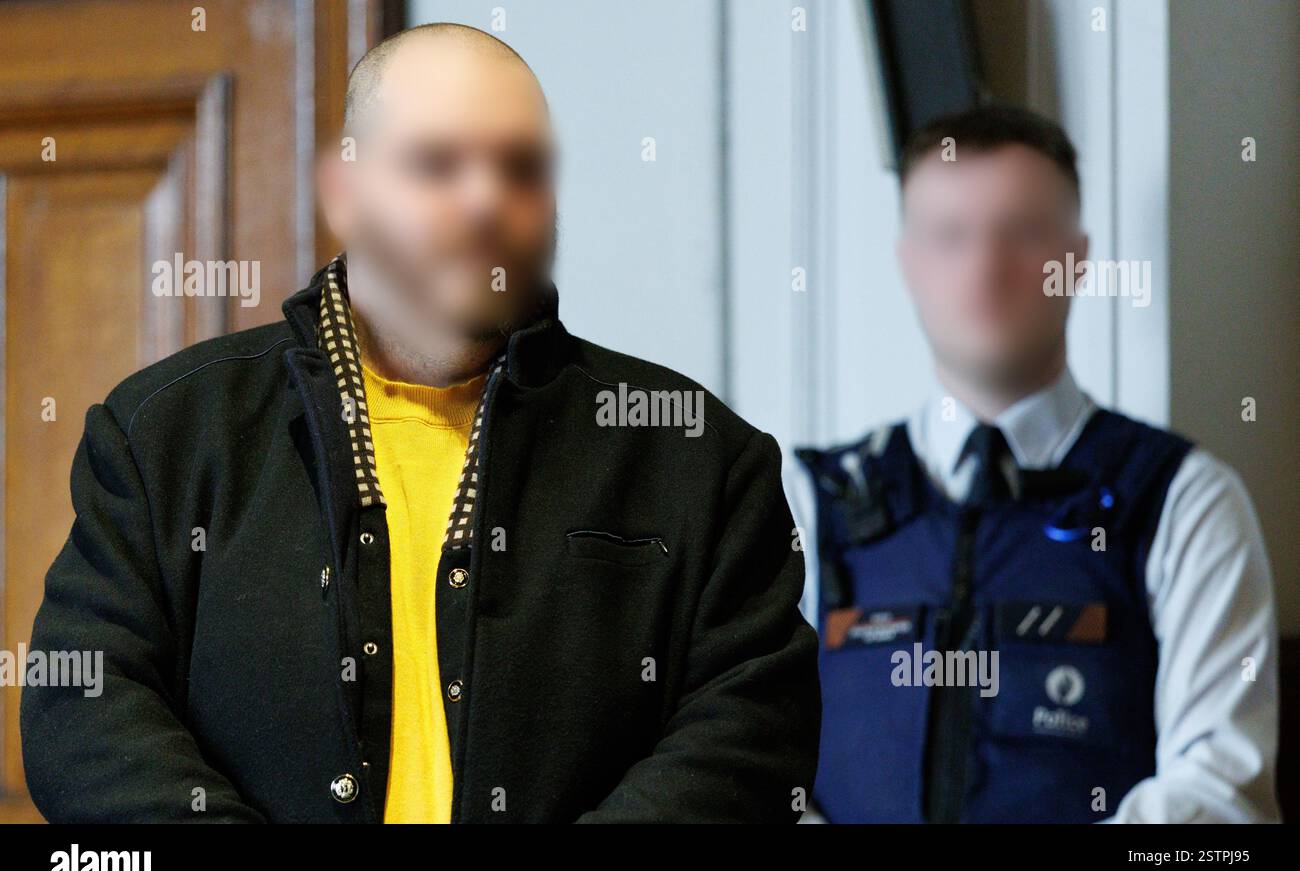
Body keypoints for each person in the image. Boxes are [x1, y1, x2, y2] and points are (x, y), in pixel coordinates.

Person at [22, 23, 820, 824]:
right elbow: (85, 701)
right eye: (437, 164)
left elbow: (749, 729)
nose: (485, 200)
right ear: (347, 193)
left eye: (521, 168)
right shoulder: (167, 434)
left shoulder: (695, 456)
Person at [786, 106, 1279, 824]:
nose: (986, 268)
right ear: (910, 263)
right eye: (951, 237)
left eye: (1021, 234)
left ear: (1076, 260)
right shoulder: (808, 501)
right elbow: (744, 765)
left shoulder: (1183, 500)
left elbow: (1221, 795)